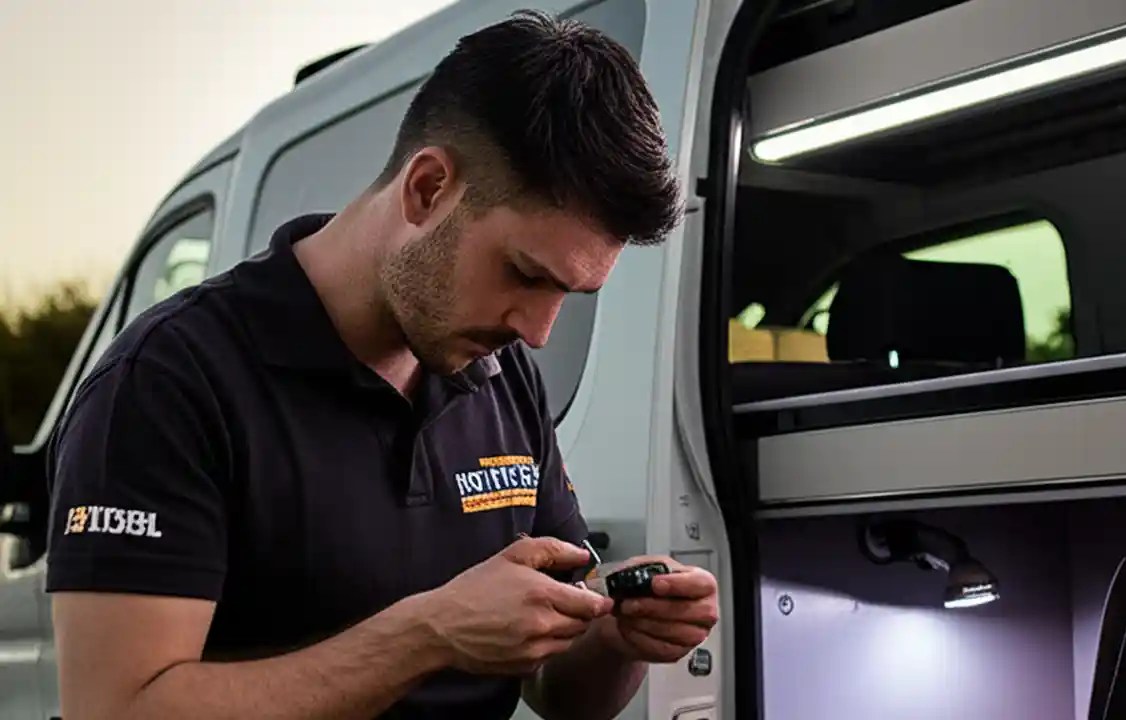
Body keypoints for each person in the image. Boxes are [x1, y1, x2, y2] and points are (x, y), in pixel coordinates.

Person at [44, 10, 718, 720]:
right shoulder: (167, 382)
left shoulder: (500, 371)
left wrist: (616, 639)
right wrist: (425, 634)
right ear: (427, 188)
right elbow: (115, 709)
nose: (538, 331)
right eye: (524, 273)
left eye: (569, 294)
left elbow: (558, 691)